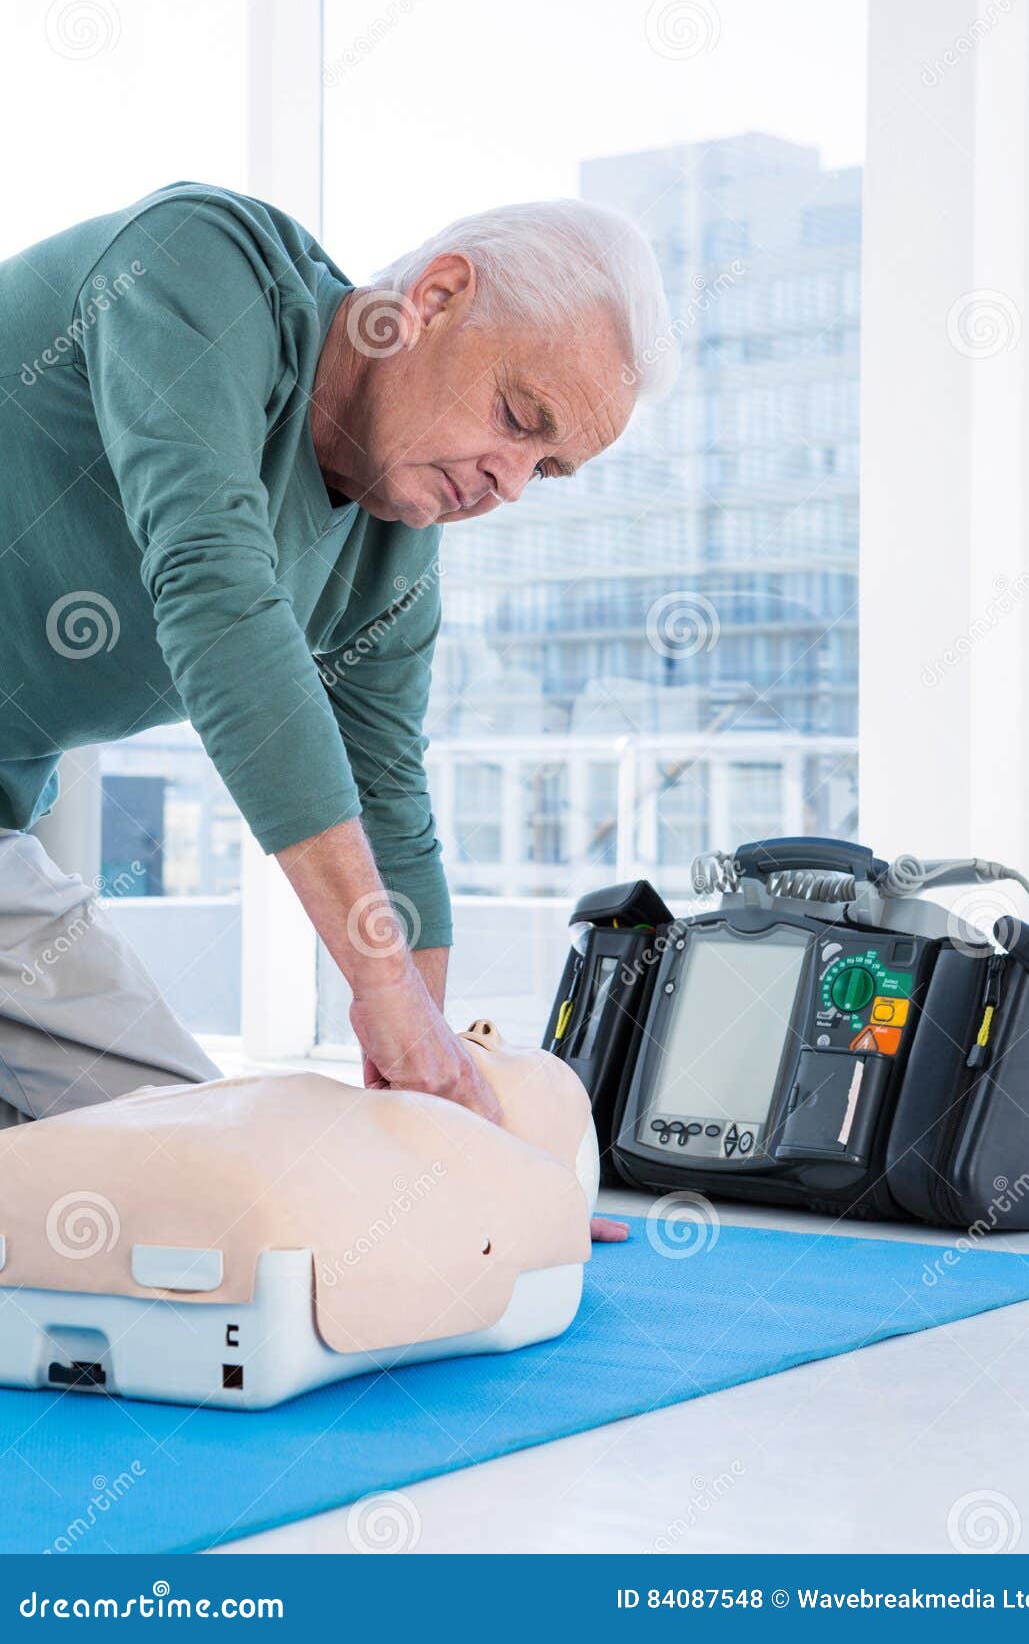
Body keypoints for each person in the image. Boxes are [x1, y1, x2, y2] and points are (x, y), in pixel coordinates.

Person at [0, 184, 672, 1236]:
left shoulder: (393, 558)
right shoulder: (201, 267)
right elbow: (216, 593)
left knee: (212, 1184)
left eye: (545, 468)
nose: (508, 482)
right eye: (515, 420)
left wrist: (444, 1143)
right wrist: (386, 999)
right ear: (437, 297)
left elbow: (389, 801)